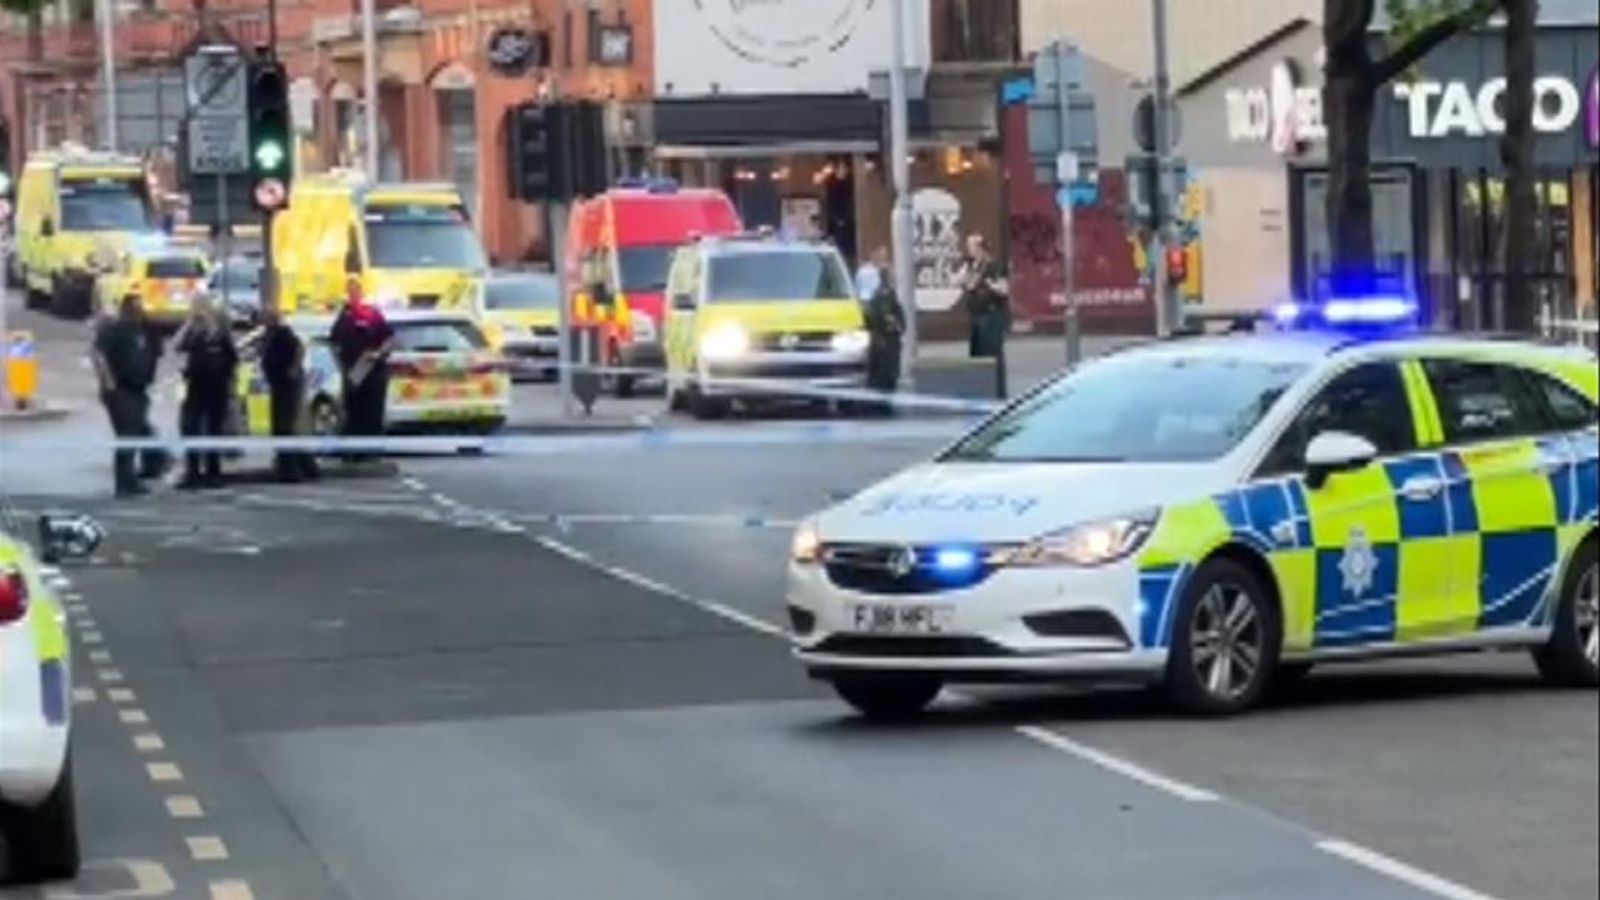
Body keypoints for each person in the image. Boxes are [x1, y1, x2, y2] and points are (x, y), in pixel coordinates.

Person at [91, 297, 165, 497]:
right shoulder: (115, 329)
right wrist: (108, 381)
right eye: (134, 308)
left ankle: (149, 467)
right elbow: (98, 354)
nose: (138, 312)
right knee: (127, 436)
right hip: (121, 389)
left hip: (139, 389)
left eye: (140, 308)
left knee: (139, 431)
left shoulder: (147, 330)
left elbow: (157, 353)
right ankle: (124, 483)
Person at [174, 295, 238, 490]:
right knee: (191, 428)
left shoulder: (221, 335)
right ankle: (193, 472)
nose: (201, 314)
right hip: (196, 386)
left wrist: (228, 379)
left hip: (216, 387)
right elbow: (177, 345)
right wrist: (189, 325)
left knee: (213, 430)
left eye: (203, 310)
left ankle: (213, 472)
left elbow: (233, 358)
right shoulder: (193, 333)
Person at [330, 278, 395, 461]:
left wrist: (379, 353)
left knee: (372, 412)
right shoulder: (344, 316)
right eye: (350, 291)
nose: (353, 295)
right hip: (353, 371)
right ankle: (352, 451)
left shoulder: (373, 314)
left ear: (361, 293)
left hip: (373, 371)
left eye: (356, 291)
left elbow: (389, 339)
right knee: (353, 411)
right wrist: (340, 365)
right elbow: (334, 342)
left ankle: (371, 452)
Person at [262, 305, 321, 483]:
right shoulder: (270, 335)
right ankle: (302, 466)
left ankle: (291, 470)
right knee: (284, 428)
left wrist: (293, 369)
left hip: (286, 386)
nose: (264, 320)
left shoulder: (283, 334)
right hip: (279, 384)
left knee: (285, 427)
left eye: (267, 316)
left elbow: (299, 348)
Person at [857, 246, 906, 398]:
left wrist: (898, 325)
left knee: (886, 376)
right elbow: (880, 316)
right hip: (883, 341)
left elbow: (898, 316)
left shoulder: (888, 295)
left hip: (887, 340)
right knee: (883, 376)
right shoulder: (881, 296)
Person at [959, 234, 1010, 359]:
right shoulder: (971, 265)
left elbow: (1004, 289)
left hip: (990, 315)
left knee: (991, 351)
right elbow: (962, 281)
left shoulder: (993, 265)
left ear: (979, 248)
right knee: (977, 353)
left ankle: (995, 372)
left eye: (971, 246)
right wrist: (964, 277)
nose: (968, 249)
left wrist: (990, 284)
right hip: (975, 315)